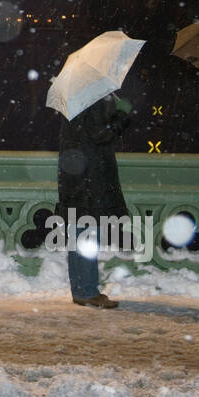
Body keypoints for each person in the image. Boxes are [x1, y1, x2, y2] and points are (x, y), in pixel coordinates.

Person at [55, 92, 132, 309]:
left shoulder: (72, 98)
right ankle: (88, 291)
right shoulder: (91, 97)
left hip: (75, 176)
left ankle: (80, 289)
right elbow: (100, 134)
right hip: (90, 178)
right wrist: (121, 115)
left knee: (79, 233)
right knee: (87, 234)